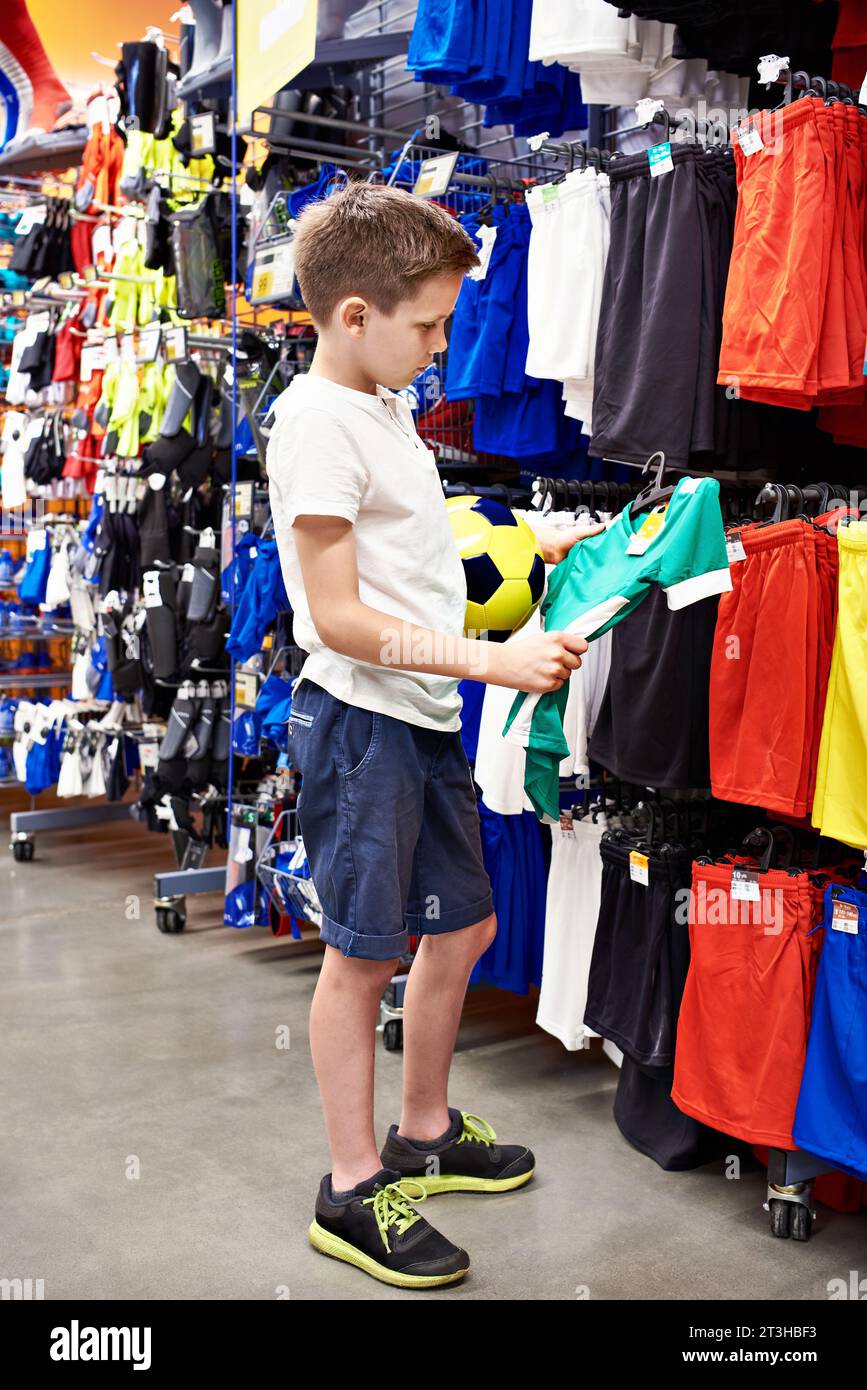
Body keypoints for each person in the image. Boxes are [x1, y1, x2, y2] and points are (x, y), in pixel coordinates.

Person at [266, 182, 602, 1290]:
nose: (443, 345)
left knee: (460, 926)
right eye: (431, 325)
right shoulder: (316, 421)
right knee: (363, 958)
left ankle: (423, 1127)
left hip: (416, 718)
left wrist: (535, 536)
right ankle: (353, 1185)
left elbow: (409, 546)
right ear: (354, 315)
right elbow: (335, 617)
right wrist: (492, 663)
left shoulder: (383, 401)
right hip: (361, 724)